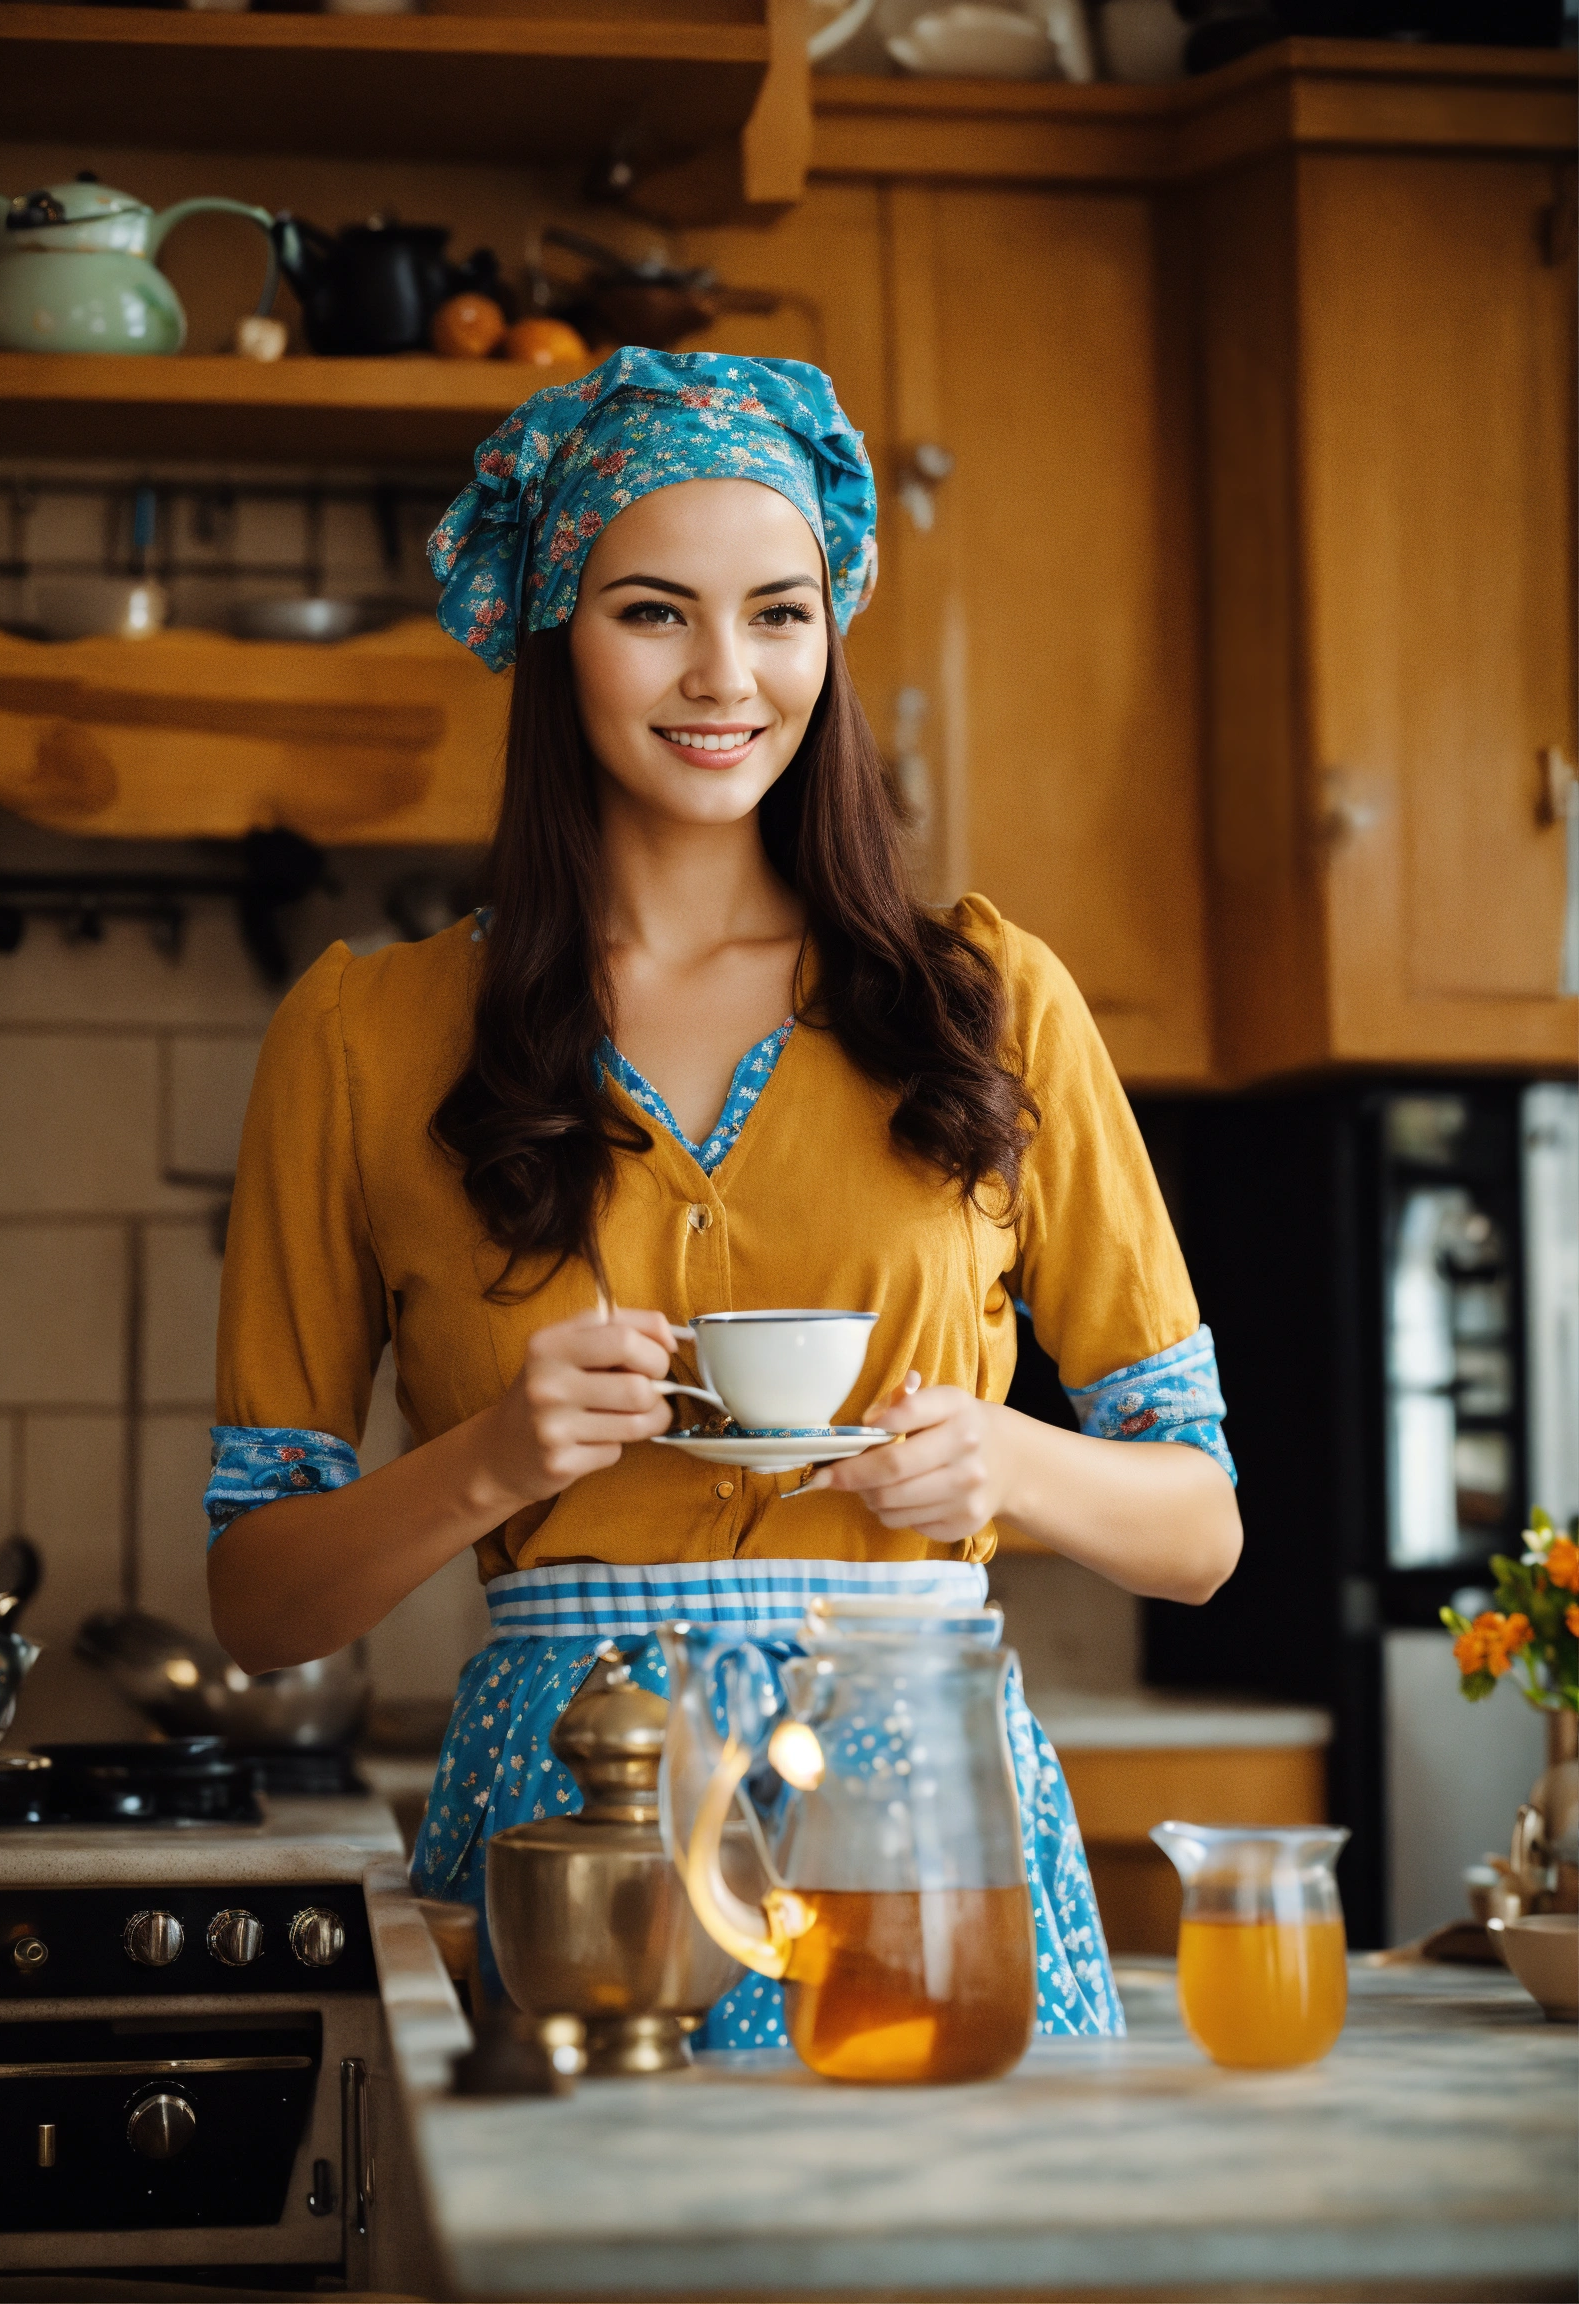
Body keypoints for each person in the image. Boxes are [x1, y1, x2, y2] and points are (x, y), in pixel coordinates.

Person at [206, 348, 1242, 2046]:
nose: (726, 675)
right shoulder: (361, 1037)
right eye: (652, 612)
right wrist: (492, 1459)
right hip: (575, 1846)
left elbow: (1201, 1526)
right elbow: (260, 1605)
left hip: (922, 1843)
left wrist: (1008, 1463)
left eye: (779, 613)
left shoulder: (991, 998)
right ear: (554, 630)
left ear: (832, 633)